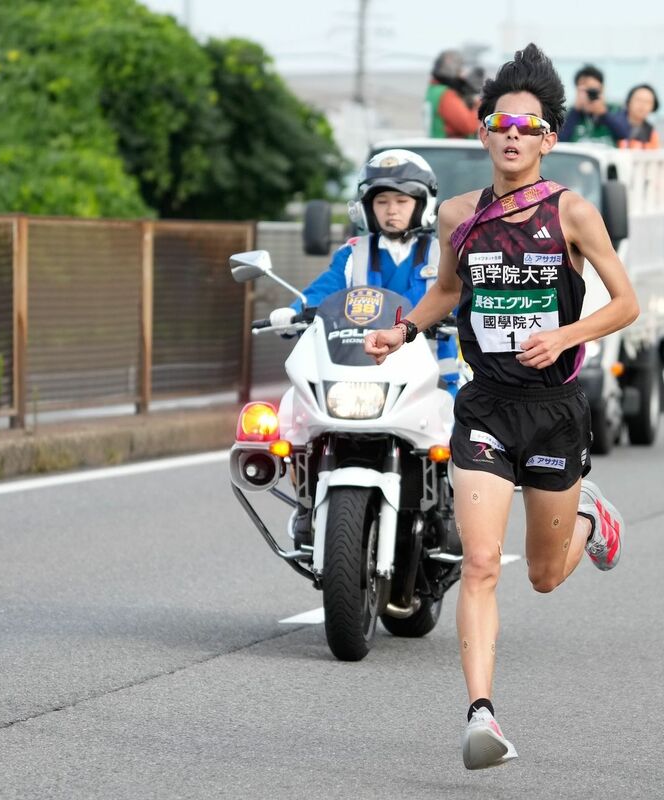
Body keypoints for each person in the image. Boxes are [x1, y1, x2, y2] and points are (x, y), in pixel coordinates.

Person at [363, 43, 637, 770]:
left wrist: (568, 335)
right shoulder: (459, 215)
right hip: (484, 406)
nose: (513, 135)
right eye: (500, 123)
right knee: (482, 562)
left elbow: (628, 302)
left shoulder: (572, 214)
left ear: (549, 138)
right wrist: (405, 328)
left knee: (543, 576)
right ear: (482, 133)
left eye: (528, 125)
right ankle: (480, 713)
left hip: (553, 408)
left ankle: (591, 518)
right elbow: (450, 293)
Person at [269, 149, 460, 395]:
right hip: (361, 375)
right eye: (382, 202)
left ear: (422, 204)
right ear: (368, 208)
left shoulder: (445, 253)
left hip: (435, 381)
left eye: (402, 201)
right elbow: (324, 289)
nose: (392, 210)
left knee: (462, 430)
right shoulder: (352, 255)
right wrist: (294, 311)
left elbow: (462, 296)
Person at [558, 64, 629, 145]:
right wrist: (575, 111)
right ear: (577, 91)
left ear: (602, 89)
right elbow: (560, 141)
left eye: (593, 91)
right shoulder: (568, 114)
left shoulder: (615, 110)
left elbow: (625, 135)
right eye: (585, 91)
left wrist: (604, 114)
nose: (590, 95)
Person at [426, 49, 481, 139]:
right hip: (452, 150)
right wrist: (479, 105)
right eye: (459, 68)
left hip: (439, 148)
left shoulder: (433, 90)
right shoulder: (446, 95)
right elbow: (468, 125)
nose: (461, 74)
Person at [610, 83, 661, 149]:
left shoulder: (651, 133)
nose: (642, 105)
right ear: (629, 101)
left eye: (648, 102)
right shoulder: (613, 123)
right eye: (639, 100)